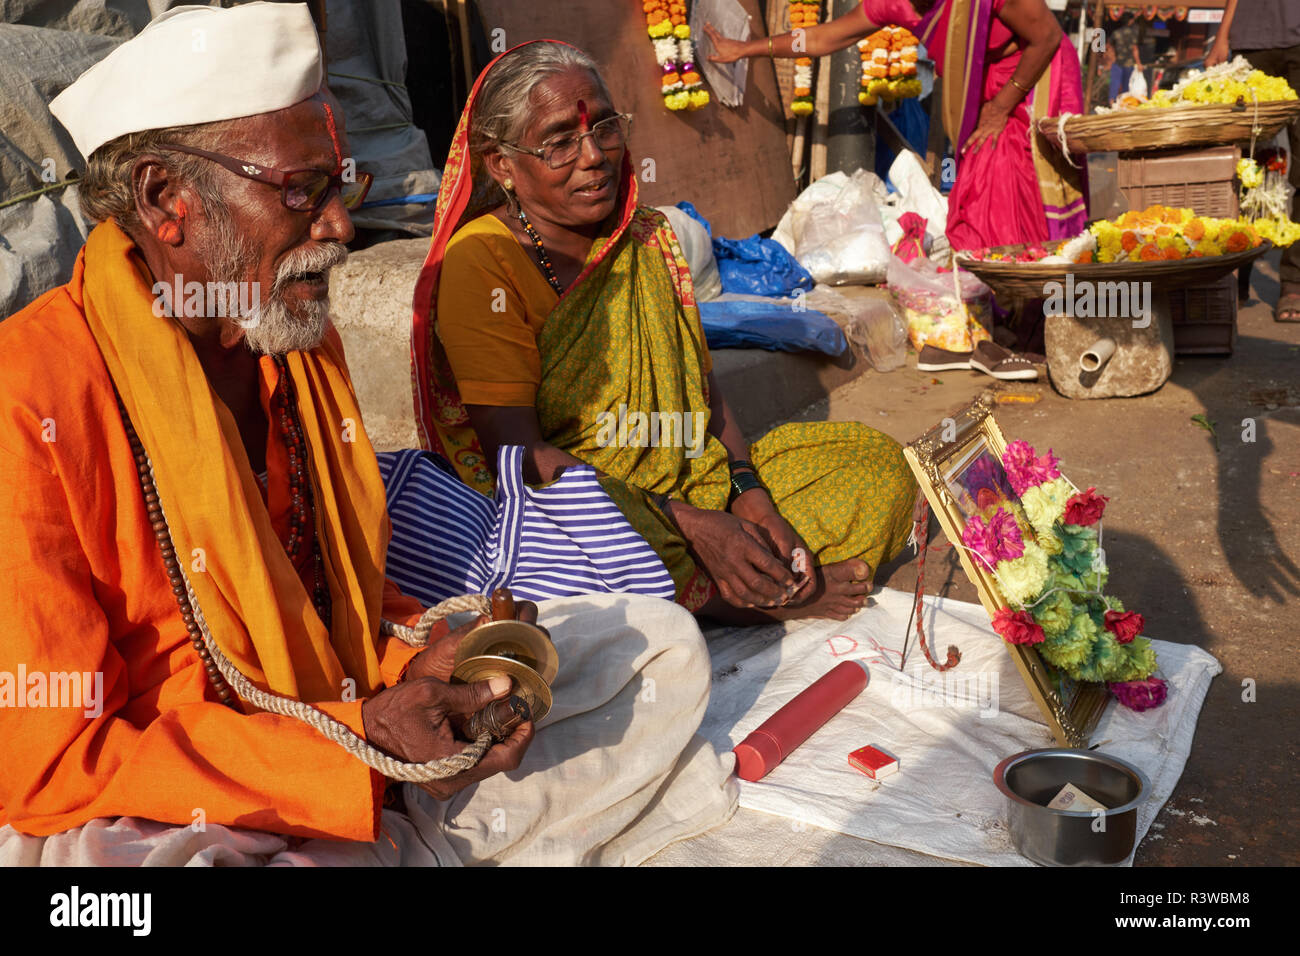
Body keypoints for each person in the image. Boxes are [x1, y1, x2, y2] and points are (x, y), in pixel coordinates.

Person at [0, 3, 734, 867]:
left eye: (341, 187)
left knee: (655, 651)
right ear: (167, 198)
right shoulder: (28, 395)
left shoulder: (288, 336)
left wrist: (419, 661)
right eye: (301, 192)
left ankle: (393, 831)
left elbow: (337, 603)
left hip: (341, 735)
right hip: (178, 796)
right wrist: (353, 743)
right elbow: (48, 764)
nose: (342, 228)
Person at [412, 41, 918, 625]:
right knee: (563, 572)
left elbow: (705, 394)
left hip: (688, 475)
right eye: (559, 142)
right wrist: (693, 525)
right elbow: (517, 460)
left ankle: (740, 585)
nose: (594, 156)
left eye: (604, 128)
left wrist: (749, 494)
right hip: (584, 511)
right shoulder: (485, 261)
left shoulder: (647, 236)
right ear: (502, 164)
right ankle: (742, 600)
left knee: (877, 467)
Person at [703, 0, 1087, 253]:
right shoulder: (894, 3)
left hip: (1035, 72)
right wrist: (746, 49)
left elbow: (1048, 36)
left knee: (1010, 177)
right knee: (982, 184)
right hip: (985, 83)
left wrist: (1002, 106)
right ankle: (1000, 296)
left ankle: (1035, 288)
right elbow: (822, 37)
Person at [1207, 0, 1300, 322]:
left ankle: (1293, 282)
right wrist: (1222, 37)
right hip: (1252, 41)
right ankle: (1235, 279)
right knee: (1245, 166)